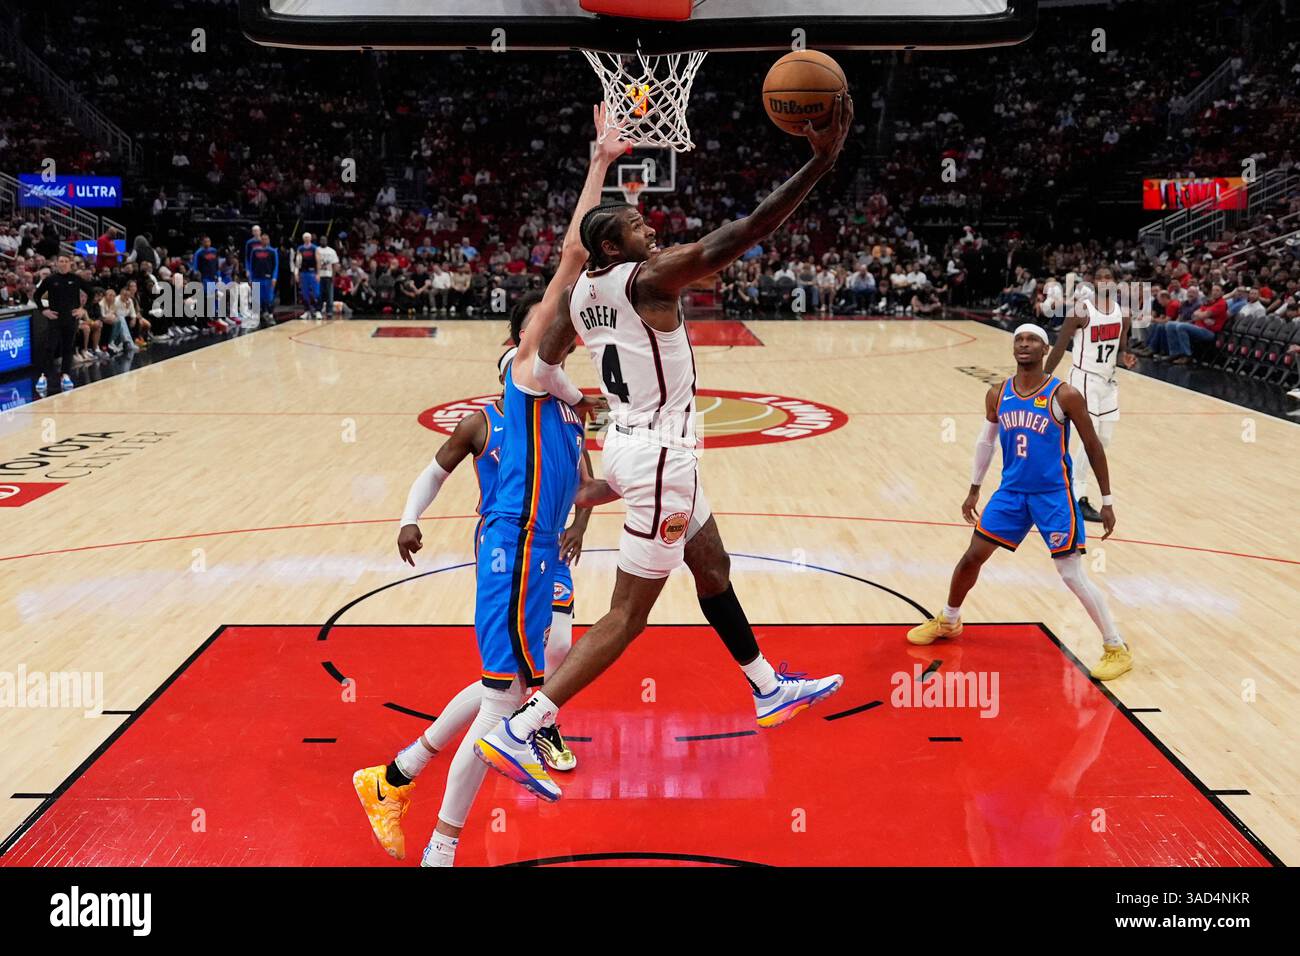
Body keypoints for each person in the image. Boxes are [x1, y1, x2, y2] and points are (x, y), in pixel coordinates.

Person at [475, 94, 855, 804]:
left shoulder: (577, 300)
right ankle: (524, 725)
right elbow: (746, 231)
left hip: (633, 443)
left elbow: (547, 364)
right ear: (612, 247)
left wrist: (574, 402)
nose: (649, 225)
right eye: (634, 223)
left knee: (711, 564)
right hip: (659, 458)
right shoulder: (649, 276)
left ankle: (767, 687)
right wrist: (819, 164)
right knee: (628, 613)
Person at [354, 105, 623, 868]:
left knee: (507, 692)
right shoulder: (527, 372)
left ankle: (401, 776)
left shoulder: (567, 403)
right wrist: (600, 165)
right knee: (509, 702)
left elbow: (581, 489)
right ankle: (433, 834)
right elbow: (573, 254)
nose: (572, 319)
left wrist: (643, 488)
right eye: (560, 316)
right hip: (508, 549)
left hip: (543, 551)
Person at [906, 324, 1132, 681]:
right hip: (1010, 493)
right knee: (972, 556)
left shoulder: (1066, 394)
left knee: (1070, 573)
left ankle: (1116, 646)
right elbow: (986, 442)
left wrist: (1106, 500)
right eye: (1019, 340)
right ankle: (949, 620)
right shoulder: (998, 394)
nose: (1024, 345)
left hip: (1053, 495)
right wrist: (974, 488)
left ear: (1045, 350)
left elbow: (1092, 445)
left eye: (1032, 341)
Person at [1043, 267, 1135, 523]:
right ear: (1095, 282)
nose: (1105, 281)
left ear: (1115, 283)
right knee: (1090, 438)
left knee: (1103, 439)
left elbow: (1121, 349)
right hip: (1083, 379)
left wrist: (1126, 358)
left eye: (1110, 277)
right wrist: (1043, 379)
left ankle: (1071, 492)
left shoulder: (1123, 314)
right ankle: (1078, 496)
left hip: (1107, 382)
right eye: (1101, 277)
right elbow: (1060, 347)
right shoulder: (1081, 311)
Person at [34, 254, 96, 394]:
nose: (63, 263)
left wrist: (83, 309)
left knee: (68, 348)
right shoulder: (50, 280)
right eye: (61, 261)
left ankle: (65, 375)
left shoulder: (76, 279)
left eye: (66, 261)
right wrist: (44, 310)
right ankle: (43, 376)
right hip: (55, 319)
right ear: (57, 263)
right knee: (50, 347)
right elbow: (37, 295)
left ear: (70, 264)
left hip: (71, 319)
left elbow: (91, 293)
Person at [248, 235, 279, 325]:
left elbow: (275, 266)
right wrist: (250, 279)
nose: (265, 240)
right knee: (258, 298)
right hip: (257, 277)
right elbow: (251, 266)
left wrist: (274, 278)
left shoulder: (273, 251)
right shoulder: (254, 251)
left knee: (269, 298)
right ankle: (260, 314)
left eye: (266, 239)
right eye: (263, 239)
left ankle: (270, 314)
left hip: (268, 278)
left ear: (269, 240)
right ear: (261, 240)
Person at [294, 232, 321, 319]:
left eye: (308, 237)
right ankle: (307, 311)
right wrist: (296, 273)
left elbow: (318, 261)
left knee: (315, 293)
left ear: (310, 238)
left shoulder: (314, 248)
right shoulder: (300, 248)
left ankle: (317, 311)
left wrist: (318, 273)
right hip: (303, 273)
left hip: (312, 273)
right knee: (304, 293)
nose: (306, 239)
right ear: (303, 239)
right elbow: (297, 262)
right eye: (305, 237)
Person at [317, 239, 340, 318]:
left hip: (328, 275)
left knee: (329, 295)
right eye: (322, 240)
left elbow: (335, 264)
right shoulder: (317, 250)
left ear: (327, 241)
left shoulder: (332, 251)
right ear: (320, 241)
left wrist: (333, 276)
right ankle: (318, 310)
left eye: (324, 240)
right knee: (319, 294)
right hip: (319, 276)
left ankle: (329, 311)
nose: (323, 241)